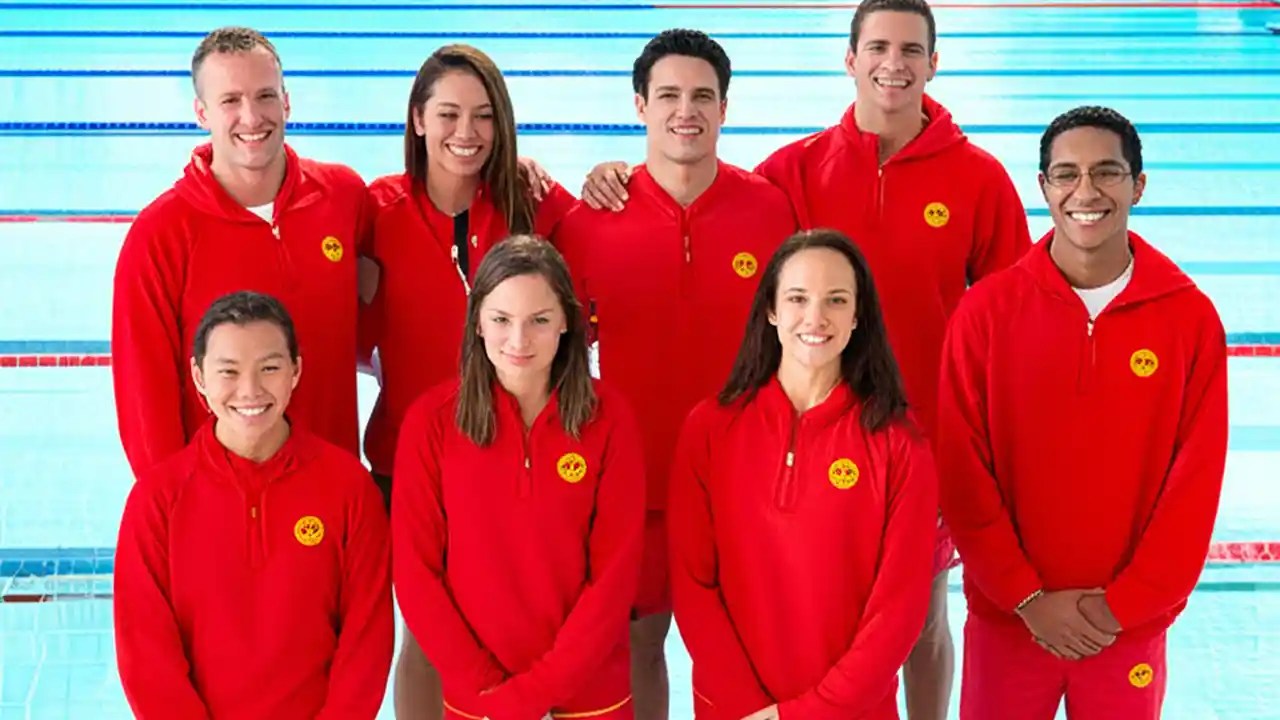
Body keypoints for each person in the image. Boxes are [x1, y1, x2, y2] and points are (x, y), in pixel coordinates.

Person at [580, 5, 1031, 714]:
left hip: (912, 440)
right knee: (686, 630)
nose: (894, 62)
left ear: (934, 63)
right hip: (771, 443)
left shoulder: (977, 179)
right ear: (849, 59)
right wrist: (614, 172)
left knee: (918, 619)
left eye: (911, 48)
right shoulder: (791, 176)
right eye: (877, 46)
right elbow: (689, 195)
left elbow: (1012, 326)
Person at [936, 106, 1228, 719]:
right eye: (1066, 174)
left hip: (1126, 627)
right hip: (1010, 619)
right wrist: (1024, 596)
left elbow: (1194, 484)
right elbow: (963, 470)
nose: (1085, 191)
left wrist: (1124, 606)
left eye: (1107, 172)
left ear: (1138, 185)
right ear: (1043, 188)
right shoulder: (986, 313)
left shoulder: (1188, 320)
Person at [553, 29, 797, 720]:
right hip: (635, 479)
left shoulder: (771, 210)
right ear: (639, 106)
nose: (684, 111)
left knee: (756, 653)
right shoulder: (589, 220)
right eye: (668, 96)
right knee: (638, 646)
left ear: (725, 108)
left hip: (747, 480)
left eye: (701, 96)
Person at [355, 42, 576, 719]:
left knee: (520, 626)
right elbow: (346, 324)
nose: (466, 133)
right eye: (448, 114)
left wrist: (611, 173)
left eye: (484, 116)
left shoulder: (532, 204)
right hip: (409, 457)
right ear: (417, 119)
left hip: (518, 458)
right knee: (425, 632)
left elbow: (612, 243)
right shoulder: (375, 211)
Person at [669, 229, 938, 720]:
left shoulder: (899, 441)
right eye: (797, 298)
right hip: (734, 709)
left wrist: (809, 712)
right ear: (770, 310)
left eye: (836, 300)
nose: (815, 318)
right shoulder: (710, 429)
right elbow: (693, 586)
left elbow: (897, 610)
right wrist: (751, 710)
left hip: (850, 710)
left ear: (858, 317)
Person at [392, 236, 645, 720]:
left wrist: (528, 698)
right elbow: (417, 574)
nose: (519, 341)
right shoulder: (431, 422)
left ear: (567, 322)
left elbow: (613, 578)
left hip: (591, 694)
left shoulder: (610, 419)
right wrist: (486, 691)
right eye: (502, 320)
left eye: (540, 321)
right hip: (478, 697)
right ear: (478, 323)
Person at [113, 290, 393, 720]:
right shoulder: (157, 501)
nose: (250, 390)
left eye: (270, 368)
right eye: (229, 371)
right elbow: (147, 657)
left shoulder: (349, 489)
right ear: (199, 376)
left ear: (295, 371)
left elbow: (366, 642)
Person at [111, 27, 370, 477]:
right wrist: (177, 506)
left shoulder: (344, 198)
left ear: (286, 101)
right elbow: (143, 400)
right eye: (230, 100)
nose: (251, 117)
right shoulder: (160, 235)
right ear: (201, 112)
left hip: (333, 498)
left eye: (265, 96)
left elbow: (418, 244)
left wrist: (506, 169)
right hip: (222, 501)